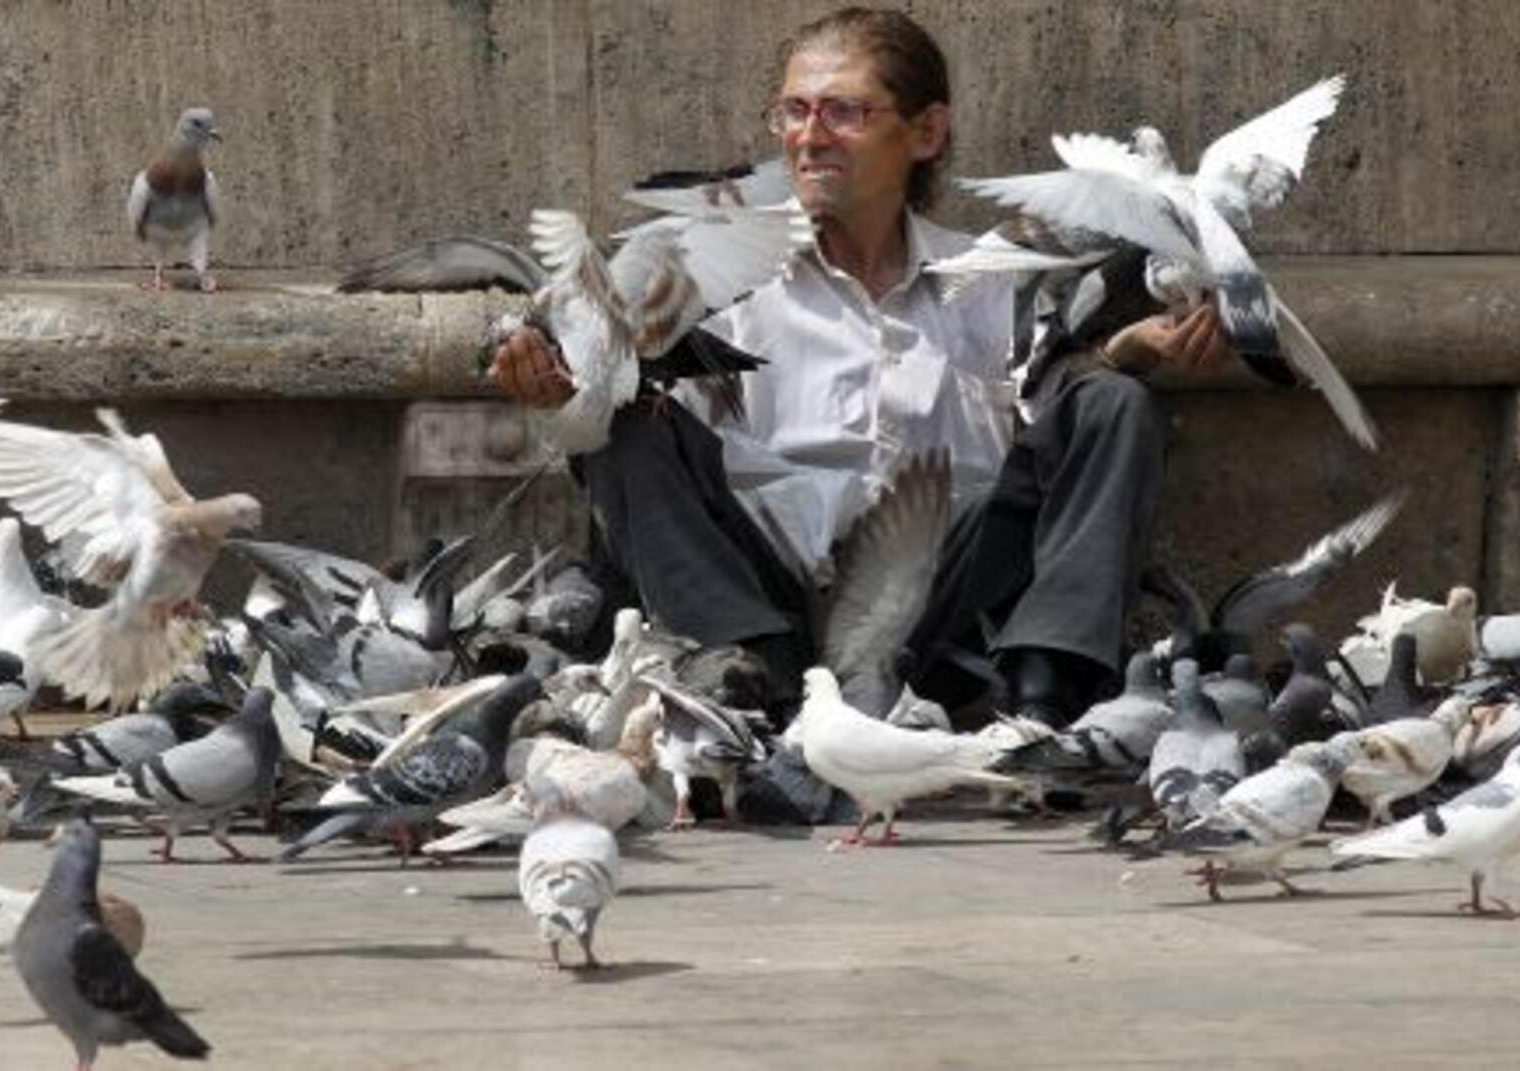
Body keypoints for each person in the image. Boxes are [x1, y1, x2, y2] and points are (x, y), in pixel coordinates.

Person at [491, 6, 1231, 729]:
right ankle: (734, 676)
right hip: (769, 596)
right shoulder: (721, 280)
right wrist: (568, 394)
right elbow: (639, 431)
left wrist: (1120, 355)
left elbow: (1048, 397)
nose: (808, 137)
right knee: (628, 423)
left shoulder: (988, 276)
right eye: (792, 111)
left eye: (843, 112)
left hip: (938, 606)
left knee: (1113, 404)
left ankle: (1046, 694)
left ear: (926, 132)